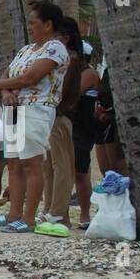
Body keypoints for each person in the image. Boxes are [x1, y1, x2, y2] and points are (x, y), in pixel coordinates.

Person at [0, 1, 68, 235]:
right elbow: (9, 74)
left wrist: (0, 85)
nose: (29, 27)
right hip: (14, 110)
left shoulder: (55, 48)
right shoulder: (26, 50)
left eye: (33, 22)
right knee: (13, 163)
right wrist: (6, 91)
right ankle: (14, 214)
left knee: (32, 164)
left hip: (37, 108)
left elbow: (30, 78)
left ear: (48, 24)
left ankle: (29, 217)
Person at [40, 17, 89, 227]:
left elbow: (64, 92)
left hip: (59, 115)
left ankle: (58, 213)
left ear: (66, 38)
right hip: (53, 114)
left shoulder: (70, 60)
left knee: (61, 167)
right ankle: (50, 210)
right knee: (50, 167)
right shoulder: (66, 58)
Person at [69, 41, 103, 229]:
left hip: (83, 129)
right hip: (76, 127)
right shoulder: (77, 73)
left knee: (80, 173)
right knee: (78, 172)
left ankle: (85, 215)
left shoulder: (89, 73)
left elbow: (73, 94)